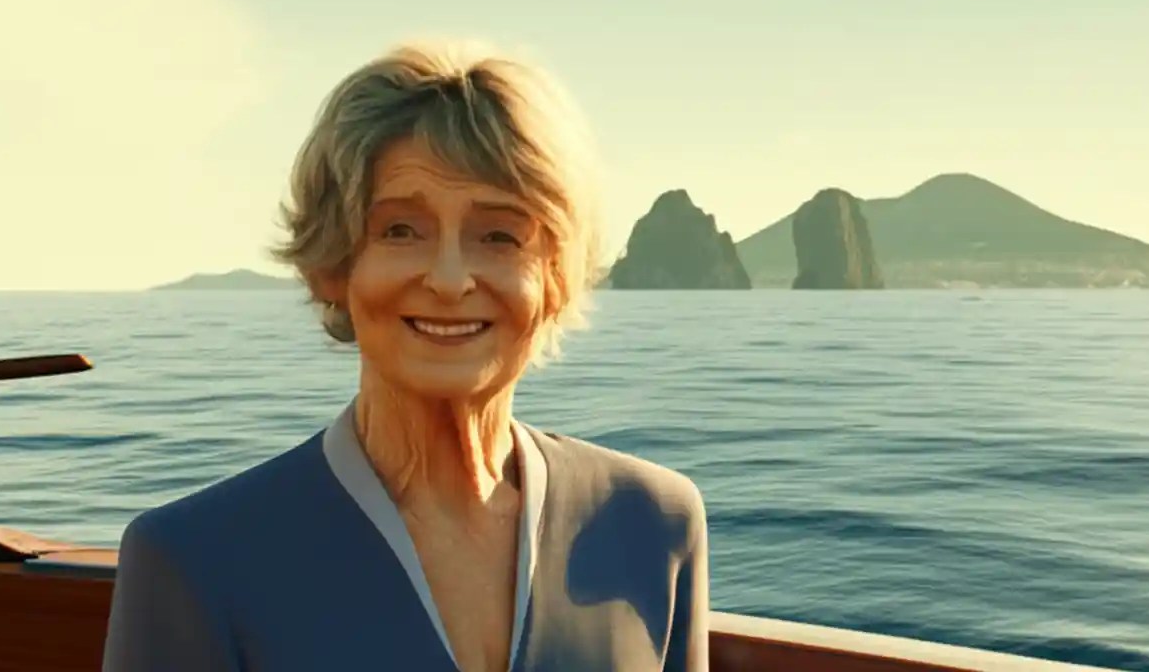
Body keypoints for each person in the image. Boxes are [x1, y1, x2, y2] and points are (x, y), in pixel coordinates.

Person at [102, 39, 710, 672]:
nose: (449, 279)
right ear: (331, 268)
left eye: (499, 235)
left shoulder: (655, 522)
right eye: (399, 230)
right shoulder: (193, 560)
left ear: (556, 280)